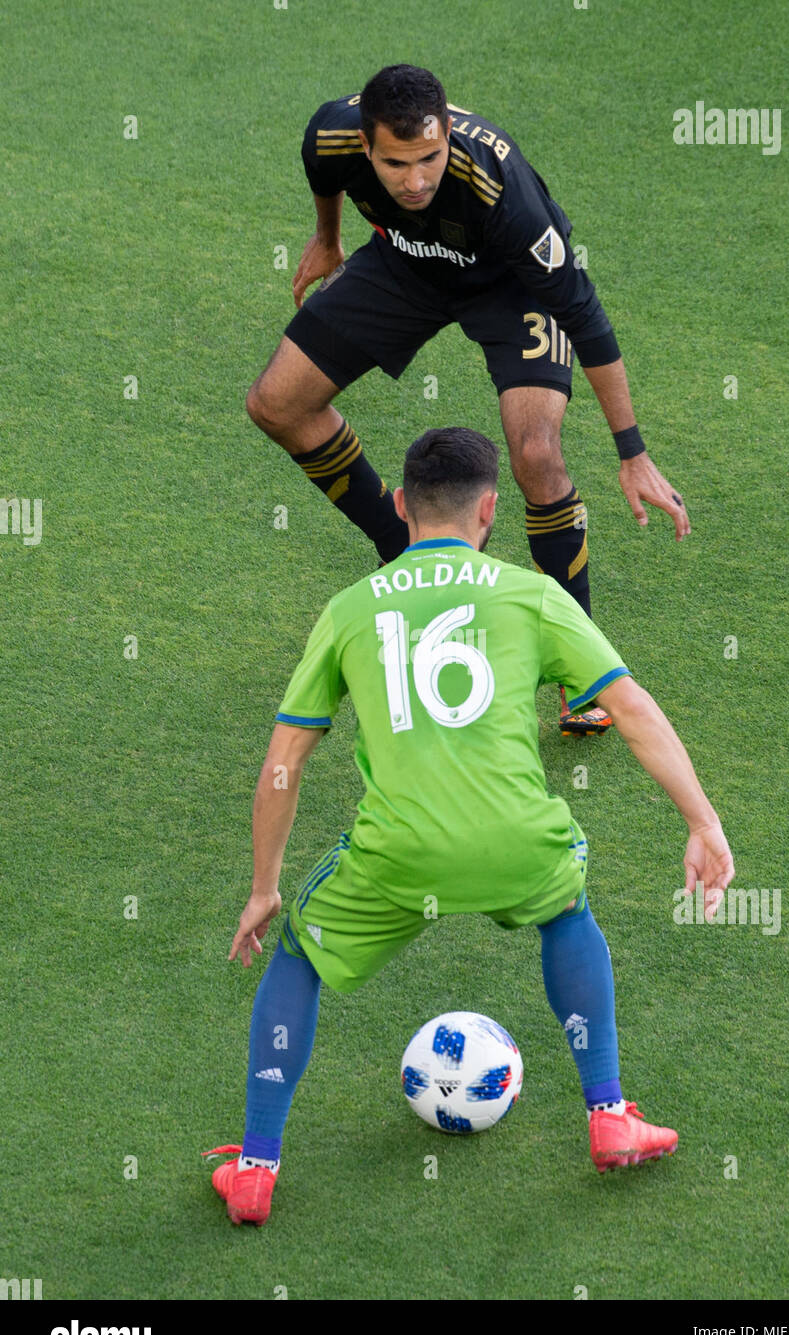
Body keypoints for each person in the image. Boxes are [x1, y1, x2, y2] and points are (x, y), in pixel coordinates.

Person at [204, 427, 732, 1226]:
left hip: (397, 857)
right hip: (518, 842)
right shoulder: (532, 595)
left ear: (397, 505)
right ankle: (610, 1114)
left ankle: (255, 1167)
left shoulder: (349, 611)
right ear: (491, 509)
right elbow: (628, 707)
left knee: (300, 953)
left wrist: (264, 889)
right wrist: (702, 821)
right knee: (566, 910)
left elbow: (284, 763)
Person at [245, 64, 691, 738]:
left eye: (430, 157)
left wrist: (632, 453)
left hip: (510, 287)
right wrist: (329, 238)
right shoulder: (331, 137)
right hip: (405, 265)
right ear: (365, 145)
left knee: (537, 453)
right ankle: (405, 552)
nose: (417, 179)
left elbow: (588, 320)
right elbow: (324, 175)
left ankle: (581, 671)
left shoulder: (502, 192)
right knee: (276, 403)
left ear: (448, 132)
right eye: (397, 164)